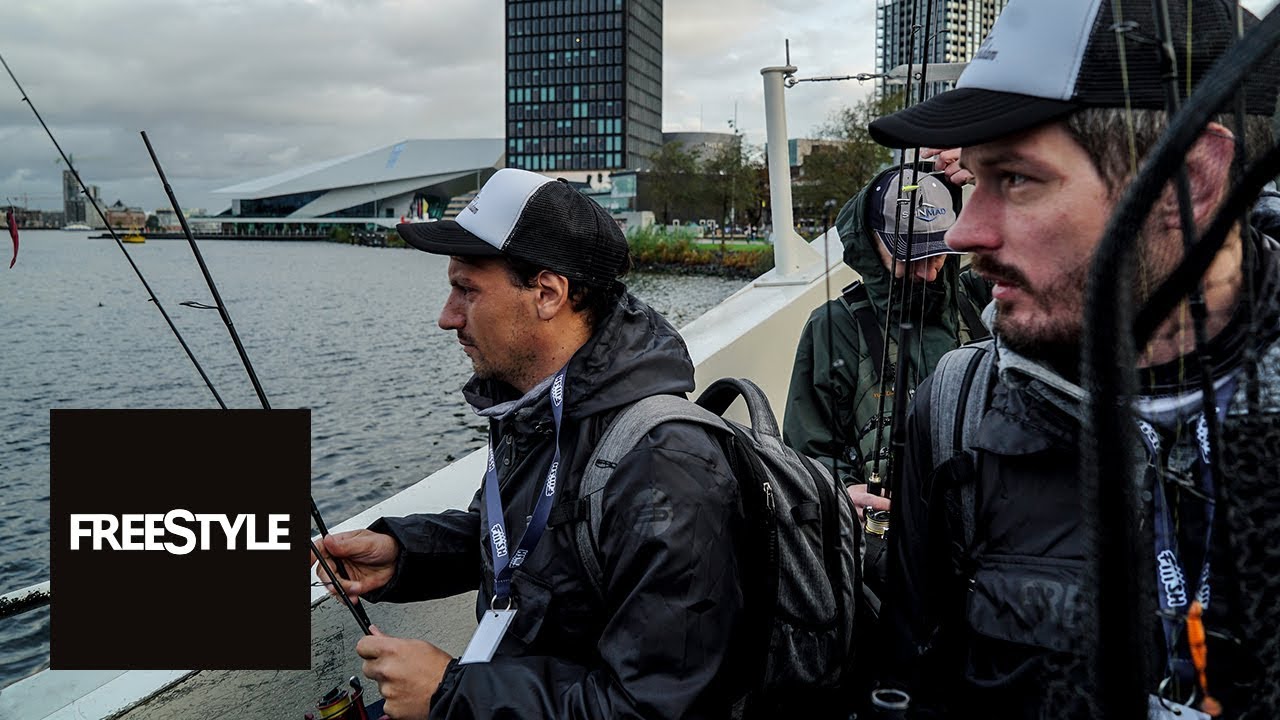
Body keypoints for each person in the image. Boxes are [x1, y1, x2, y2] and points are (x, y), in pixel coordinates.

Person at [867, 0, 1280, 716]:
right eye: (972, 179)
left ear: (1193, 183)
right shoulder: (953, 413)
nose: (963, 233)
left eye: (1017, 180)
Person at [313, 168, 746, 720]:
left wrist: (452, 695)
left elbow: (661, 708)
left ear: (547, 293)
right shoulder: (537, 407)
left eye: (466, 290)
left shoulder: (665, 469)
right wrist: (404, 556)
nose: (446, 318)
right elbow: (515, 537)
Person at [782, 161, 990, 520]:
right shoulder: (832, 326)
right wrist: (843, 491)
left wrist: (987, 168)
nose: (929, 271)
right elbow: (807, 450)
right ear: (871, 241)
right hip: (888, 543)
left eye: (938, 251)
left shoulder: (984, 295)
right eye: (911, 256)